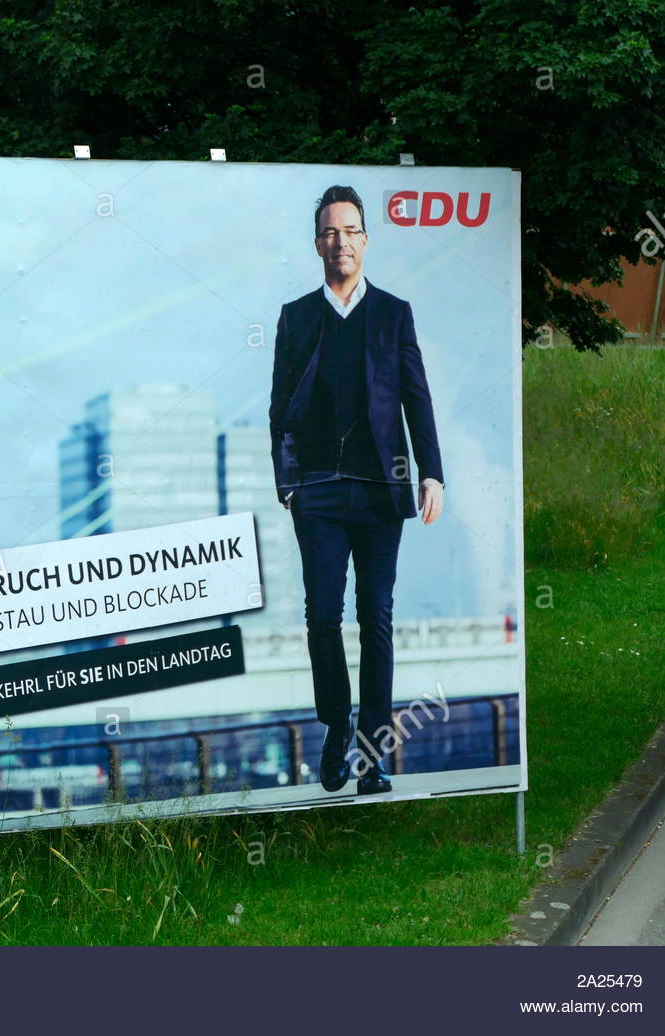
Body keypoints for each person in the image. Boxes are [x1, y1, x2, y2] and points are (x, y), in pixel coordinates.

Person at [269, 185, 444, 795]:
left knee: (377, 618)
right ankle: (336, 729)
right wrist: (286, 481)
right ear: (317, 243)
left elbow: (416, 397)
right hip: (316, 491)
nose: (339, 242)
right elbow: (278, 408)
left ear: (365, 240)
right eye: (328, 232)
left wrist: (431, 472)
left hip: (380, 492)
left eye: (349, 231)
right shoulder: (296, 317)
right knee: (322, 617)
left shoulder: (394, 314)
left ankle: (373, 750)